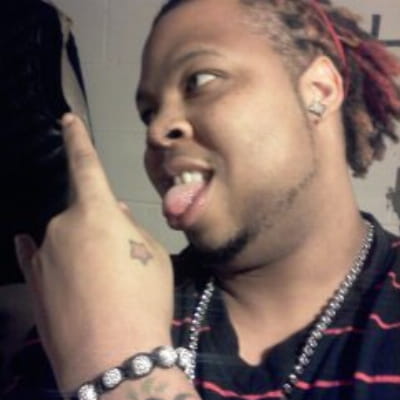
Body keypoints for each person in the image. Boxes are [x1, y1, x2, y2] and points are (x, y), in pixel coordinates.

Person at [3, 0, 400, 399]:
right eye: (149, 113)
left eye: (200, 80)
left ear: (319, 90)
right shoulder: (94, 309)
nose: (157, 130)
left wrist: (118, 363)